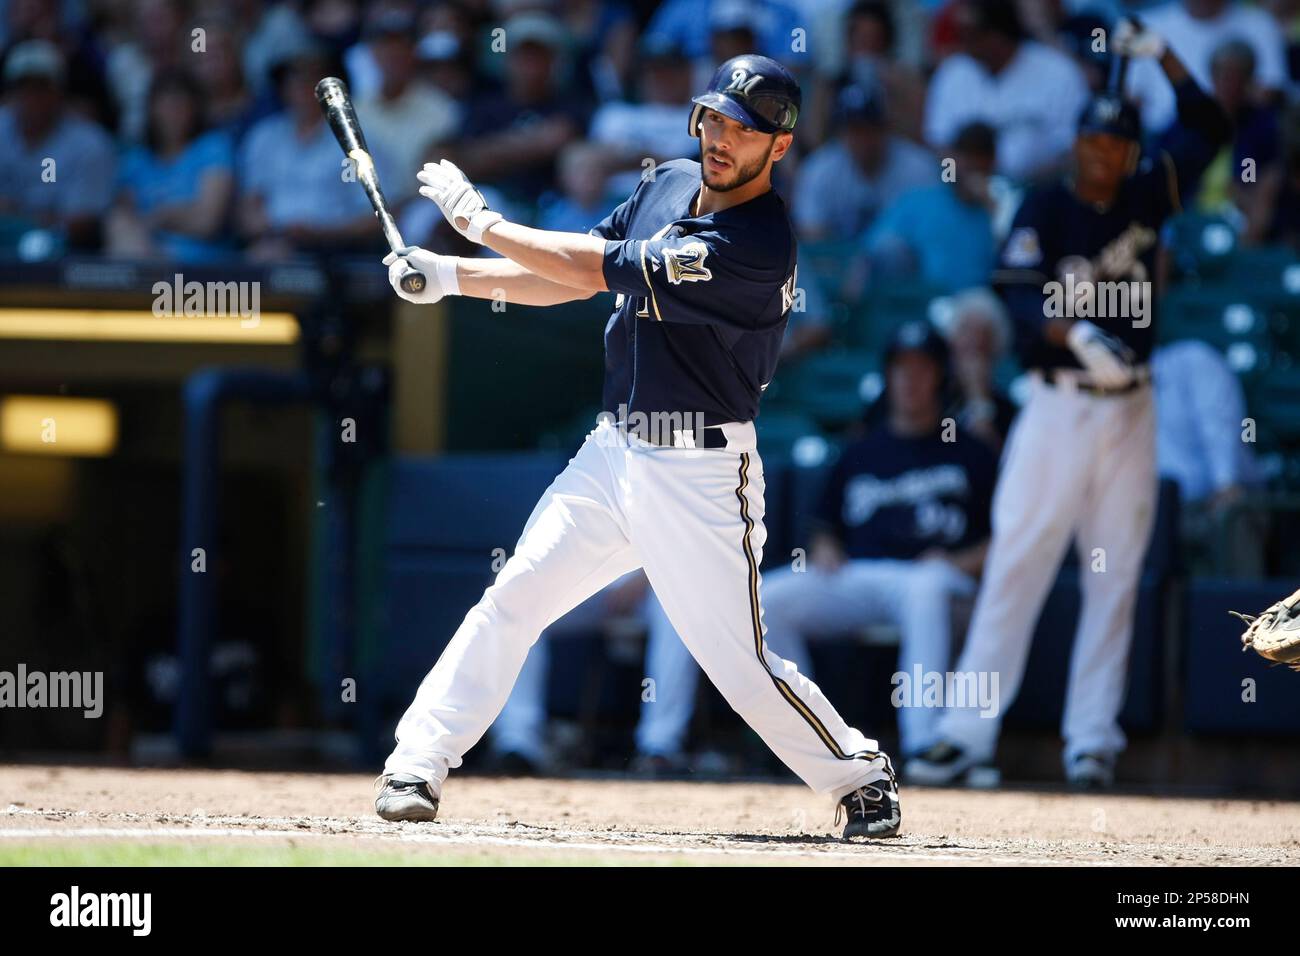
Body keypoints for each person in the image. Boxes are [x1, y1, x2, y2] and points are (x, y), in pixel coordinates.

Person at [375, 54, 902, 840]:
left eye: (745, 129)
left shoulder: (755, 243)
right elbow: (576, 279)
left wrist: (481, 224)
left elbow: (594, 264)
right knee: (514, 599)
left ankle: (861, 776)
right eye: (716, 119)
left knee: (741, 666)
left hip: (699, 470)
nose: (723, 138)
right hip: (612, 451)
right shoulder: (664, 182)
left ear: (779, 148)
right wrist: (454, 276)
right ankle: (417, 763)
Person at [907, 18, 1233, 790]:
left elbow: (1212, 126)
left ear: (1128, 153)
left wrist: (1165, 59)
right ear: (1078, 144)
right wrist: (1074, 332)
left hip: (1130, 409)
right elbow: (1013, 297)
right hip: (1054, 404)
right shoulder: (1046, 208)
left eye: (1118, 148)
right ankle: (965, 733)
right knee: (1016, 562)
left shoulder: (1152, 191)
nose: (1104, 157)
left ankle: (1092, 741)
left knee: (1115, 575)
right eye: (1095, 145)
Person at [637, 321, 997, 761]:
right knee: (767, 600)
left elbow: (1004, 544)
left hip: (938, 578)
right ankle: (811, 742)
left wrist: (958, 563)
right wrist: (825, 546)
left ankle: (923, 743)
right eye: (901, 369)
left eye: (922, 369)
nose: (910, 380)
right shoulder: (863, 448)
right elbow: (825, 524)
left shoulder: (968, 450)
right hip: (863, 574)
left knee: (925, 588)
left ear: (940, 376)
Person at [236, 43, 385, 261]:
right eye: (294, 79)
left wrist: (319, 233)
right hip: (274, 245)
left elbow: (377, 218)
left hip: (339, 252)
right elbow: (249, 206)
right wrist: (267, 229)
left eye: (313, 80)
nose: (303, 88)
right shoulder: (264, 137)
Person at [924, 0, 1088, 182]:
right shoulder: (952, 72)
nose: (965, 45)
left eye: (974, 36)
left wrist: (1020, 188)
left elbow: (1073, 149)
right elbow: (938, 145)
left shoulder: (1058, 71)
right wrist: (958, 179)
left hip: (1040, 191)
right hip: (966, 198)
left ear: (999, 34)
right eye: (962, 35)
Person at [1152, 339, 1265, 577]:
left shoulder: (1193, 358)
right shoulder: (1106, 379)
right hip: (1162, 508)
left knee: (1231, 515)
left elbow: (1218, 425)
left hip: (1218, 496)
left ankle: (1248, 611)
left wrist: (1225, 482)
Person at [106, 69, 236, 263]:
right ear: (151, 109)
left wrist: (161, 217)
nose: (173, 112)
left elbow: (207, 221)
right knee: (118, 223)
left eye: (180, 103)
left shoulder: (213, 147)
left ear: (195, 108)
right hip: (145, 257)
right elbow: (125, 218)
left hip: (202, 267)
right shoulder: (136, 159)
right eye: (165, 103)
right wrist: (182, 214)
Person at [0, 40, 115, 251]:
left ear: (59, 92)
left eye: (41, 88)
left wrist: (18, 216)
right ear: (11, 93)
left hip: (63, 252)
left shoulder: (89, 142)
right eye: (24, 88)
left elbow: (82, 221)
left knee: (40, 245)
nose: (32, 98)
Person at [864, 121, 999, 292]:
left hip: (979, 306)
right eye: (966, 157)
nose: (970, 166)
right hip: (923, 305)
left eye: (979, 159)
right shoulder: (921, 201)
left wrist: (994, 212)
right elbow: (873, 248)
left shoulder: (1000, 208)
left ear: (991, 163)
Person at [793, 83, 934, 242]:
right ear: (840, 133)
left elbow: (933, 230)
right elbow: (811, 232)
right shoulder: (819, 170)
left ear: (885, 128)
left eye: (870, 128)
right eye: (855, 130)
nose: (863, 139)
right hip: (839, 264)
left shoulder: (919, 168)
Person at [1125, 0, 1287, 134]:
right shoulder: (1144, 26)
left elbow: (1269, 97)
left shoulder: (1261, 24)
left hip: (1240, 142)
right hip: (1162, 144)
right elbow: (1129, 102)